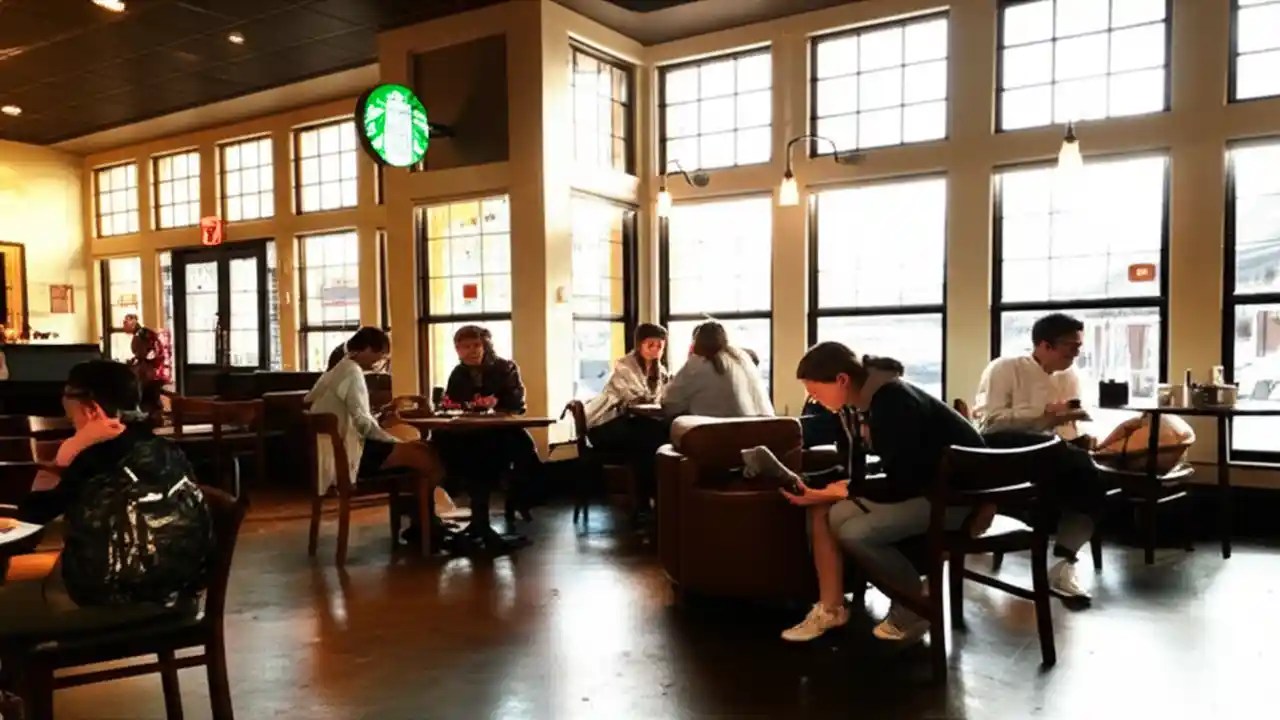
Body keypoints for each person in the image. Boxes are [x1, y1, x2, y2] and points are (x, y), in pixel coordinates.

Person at [775, 342, 983, 643]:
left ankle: (915, 605)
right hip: (927, 489)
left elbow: (904, 481)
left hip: (955, 498)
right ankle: (832, 608)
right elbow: (861, 469)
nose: (814, 401)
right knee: (827, 512)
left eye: (817, 392)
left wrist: (842, 491)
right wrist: (821, 488)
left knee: (855, 532)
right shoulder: (860, 403)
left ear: (842, 380)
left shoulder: (893, 402)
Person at [0, 360, 213, 638]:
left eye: (73, 418)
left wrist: (67, 454)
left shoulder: (93, 456)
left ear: (92, 410)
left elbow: (31, 518)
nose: (72, 425)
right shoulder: (163, 448)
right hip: (179, 593)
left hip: (113, 602)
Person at [972, 312, 1107, 603]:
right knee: (1080, 469)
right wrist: (1043, 415)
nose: (1075, 353)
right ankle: (1062, 560)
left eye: (1078, 347)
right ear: (1044, 345)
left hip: (1048, 449)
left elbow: (1065, 423)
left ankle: (1064, 558)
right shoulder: (1006, 368)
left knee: (1091, 473)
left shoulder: (1069, 376)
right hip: (1003, 450)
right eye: (1070, 346)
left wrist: (1069, 419)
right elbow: (990, 422)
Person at [306, 327, 446, 542]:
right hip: (355, 456)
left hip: (335, 455)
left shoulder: (336, 370)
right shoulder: (352, 373)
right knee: (426, 456)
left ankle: (421, 521)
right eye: (381, 356)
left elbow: (311, 400)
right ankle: (426, 526)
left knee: (420, 450)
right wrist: (393, 440)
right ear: (369, 349)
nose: (380, 362)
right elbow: (362, 423)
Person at [437, 325, 542, 547]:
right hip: (467, 433)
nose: (472, 351)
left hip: (500, 432)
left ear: (485, 346)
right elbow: (451, 403)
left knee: (493, 452)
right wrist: (465, 405)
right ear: (457, 350)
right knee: (446, 445)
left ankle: (483, 521)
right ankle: (476, 522)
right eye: (466, 347)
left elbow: (516, 403)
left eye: (476, 345)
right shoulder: (457, 373)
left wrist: (496, 403)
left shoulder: (505, 368)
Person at [584, 323, 671, 507]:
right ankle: (648, 499)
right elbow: (635, 398)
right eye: (650, 344)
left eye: (660, 346)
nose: (655, 349)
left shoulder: (660, 371)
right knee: (649, 437)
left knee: (650, 439)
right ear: (639, 344)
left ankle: (648, 500)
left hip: (632, 426)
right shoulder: (624, 367)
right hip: (605, 425)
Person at [661, 321, 773, 419]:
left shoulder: (698, 364)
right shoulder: (739, 359)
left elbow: (670, 402)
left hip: (714, 433)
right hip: (752, 429)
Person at [123, 314, 167, 419]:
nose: (123, 326)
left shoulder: (140, 335)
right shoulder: (144, 332)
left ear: (132, 322)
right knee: (152, 396)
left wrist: (136, 361)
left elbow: (143, 353)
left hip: (147, 371)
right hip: (154, 369)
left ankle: (150, 418)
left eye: (125, 323)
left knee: (147, 395)